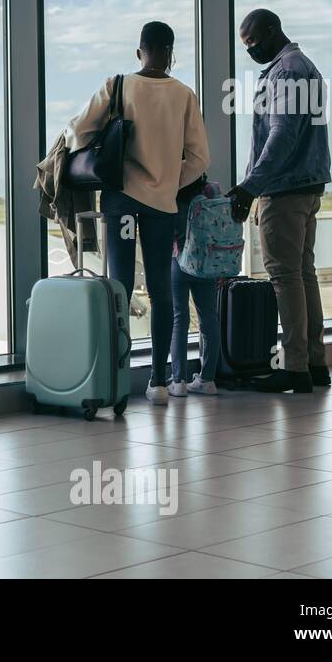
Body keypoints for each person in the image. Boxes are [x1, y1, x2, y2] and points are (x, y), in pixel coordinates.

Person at [65, 21, 209, 405]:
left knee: (120, 287)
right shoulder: (184, 95)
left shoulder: (118, 85)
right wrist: (168, 183)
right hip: (162, 206)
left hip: (122, 201)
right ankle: (159, 382)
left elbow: (78, 130)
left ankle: (116, 377)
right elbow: (199, 158)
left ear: (139, 51)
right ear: (171, 52)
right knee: (162, 290)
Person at [228, 9, 332, 394]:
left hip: (284, 190)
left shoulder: (286, 71)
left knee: (285, 277)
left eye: (253, 42)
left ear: (272, 31)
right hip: (308, 185)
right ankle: (314, 362)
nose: (251, 50)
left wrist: (250, 186)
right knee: (304, 274)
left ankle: (294, 367)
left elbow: (282, 136)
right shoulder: (306, 67)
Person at [168, 176, 221, 397]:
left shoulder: (170, 191)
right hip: (207, 262)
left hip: (179, 260)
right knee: (209, 317)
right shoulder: (212, 190)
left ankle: (178, 380)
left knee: (179, 317)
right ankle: (207, 379)